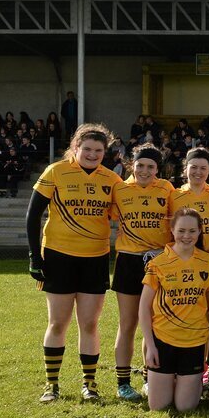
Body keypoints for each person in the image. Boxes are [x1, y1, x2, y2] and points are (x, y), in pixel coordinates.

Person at [28, 123, 122, 403]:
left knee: (90, 324)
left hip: (95, 258)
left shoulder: (112, 180)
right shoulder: (56, 171)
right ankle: (51, 385)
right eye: (87, 149)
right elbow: (33, 216)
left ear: (105, 152)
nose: (93, 154)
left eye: (99, 150)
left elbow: (123, 214)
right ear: (75, 148)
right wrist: (35, 256)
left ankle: (89, 384)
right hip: (58, 256)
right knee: (58, 323)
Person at [109, 144, 173, 401]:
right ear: (131, 164)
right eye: (140, 165)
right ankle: (123, 382)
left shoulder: (166, 189)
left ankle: (149, 377)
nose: (145, 171)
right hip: (128, 261)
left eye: (151, 166)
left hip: (157, 261)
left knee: (154, 323)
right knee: (128, 324)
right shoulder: (120, 188)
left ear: (158, 169)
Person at [138, 207, 209, 412]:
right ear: (172, 230)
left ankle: (193, 382)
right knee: (158, 406)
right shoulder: (159, 263)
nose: (186, 236)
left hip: (195, 341)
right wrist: (151, 346)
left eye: (192, 231)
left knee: (185, 407)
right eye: (181, 230)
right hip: (164, 340)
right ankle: (160, 383)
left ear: (200, 232)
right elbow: (144, 308)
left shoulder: (208, 262)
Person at [169, 148, 209, 256]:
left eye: (203, 168)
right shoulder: (174, 196)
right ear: (185, 169)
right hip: (184, 258)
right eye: (193, 167)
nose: (198, 172)